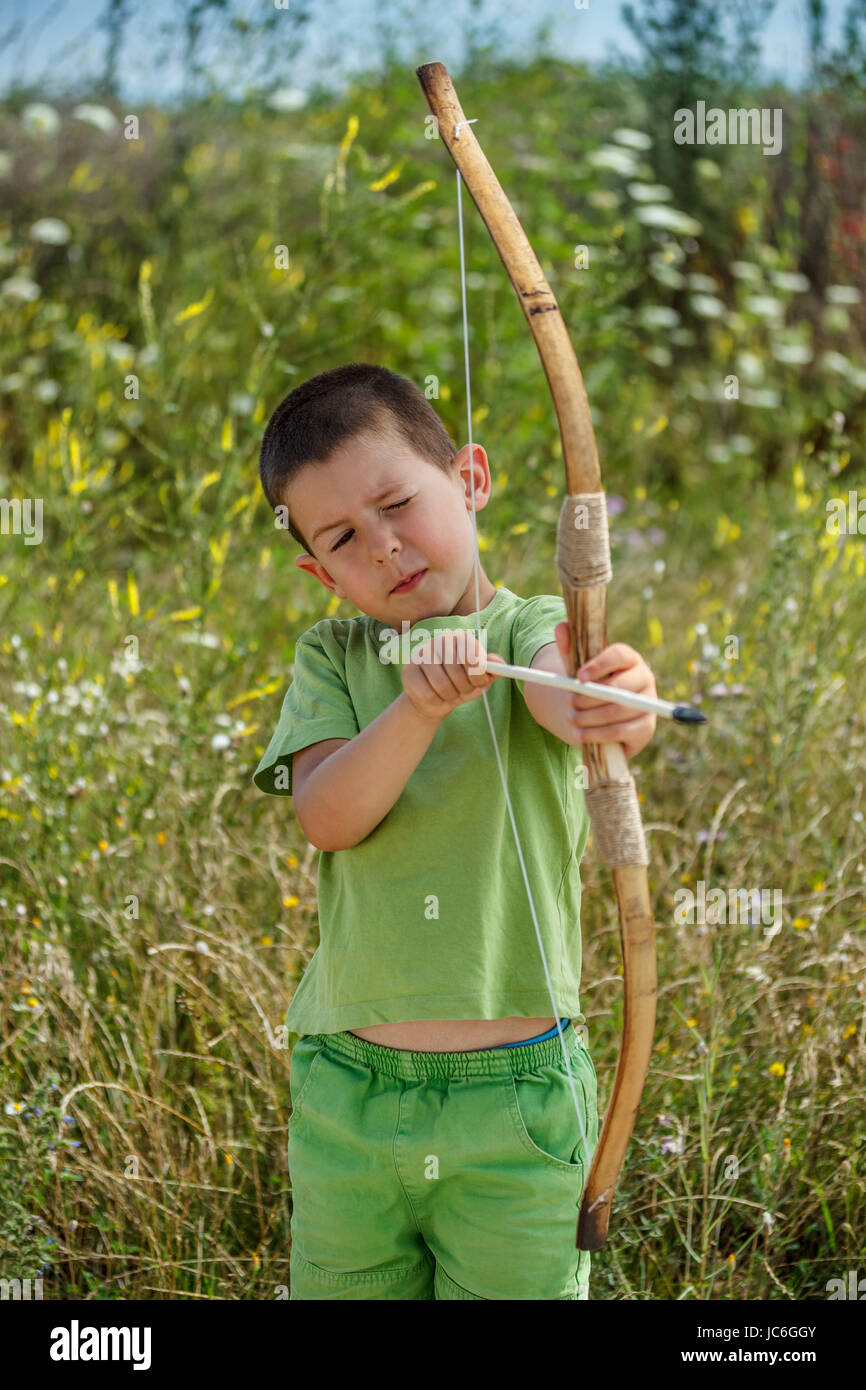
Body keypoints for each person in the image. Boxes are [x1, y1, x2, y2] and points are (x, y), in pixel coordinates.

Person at [252, 361, 658, 1299]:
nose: (387, 546)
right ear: (319, 570)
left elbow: (571, 693)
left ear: (470, 479)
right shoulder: (335, 656)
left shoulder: (527, 630)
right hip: (347, 1094)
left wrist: (611, 698)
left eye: (399, 503)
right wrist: (415, 709)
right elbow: (328, 816)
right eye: (346, 537)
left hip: (519, 1101)